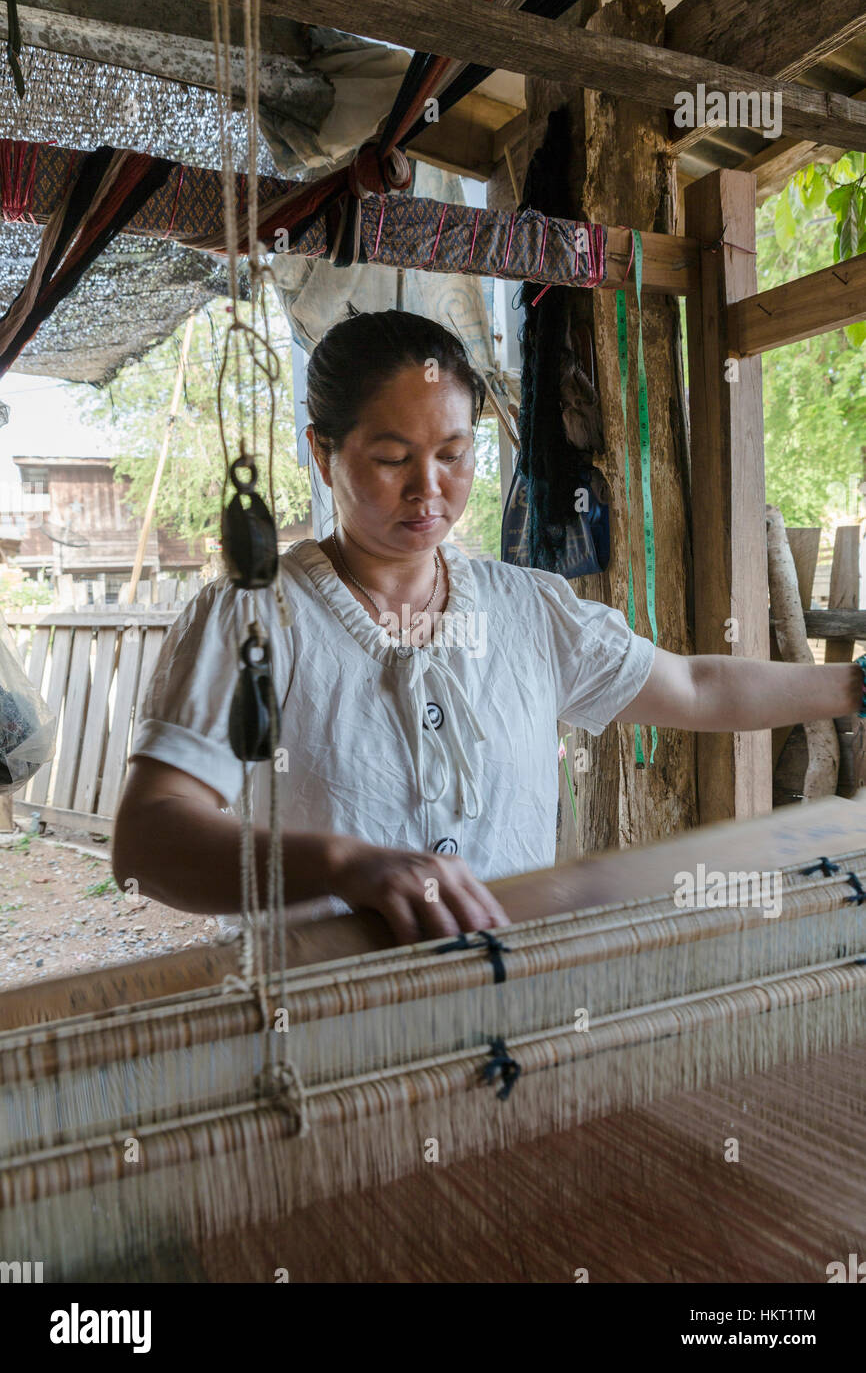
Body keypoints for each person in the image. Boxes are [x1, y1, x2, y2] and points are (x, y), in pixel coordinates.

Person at [113, 309, 864, 945]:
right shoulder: (255, 618)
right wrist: (345, 864)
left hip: (506, 1007)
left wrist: (854, 685)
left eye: (453, 453)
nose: (428, 489)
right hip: (321, 1033)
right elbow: (149, 842)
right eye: (391, 458)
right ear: (322, 451)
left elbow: (696, 687)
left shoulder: (526, 611)